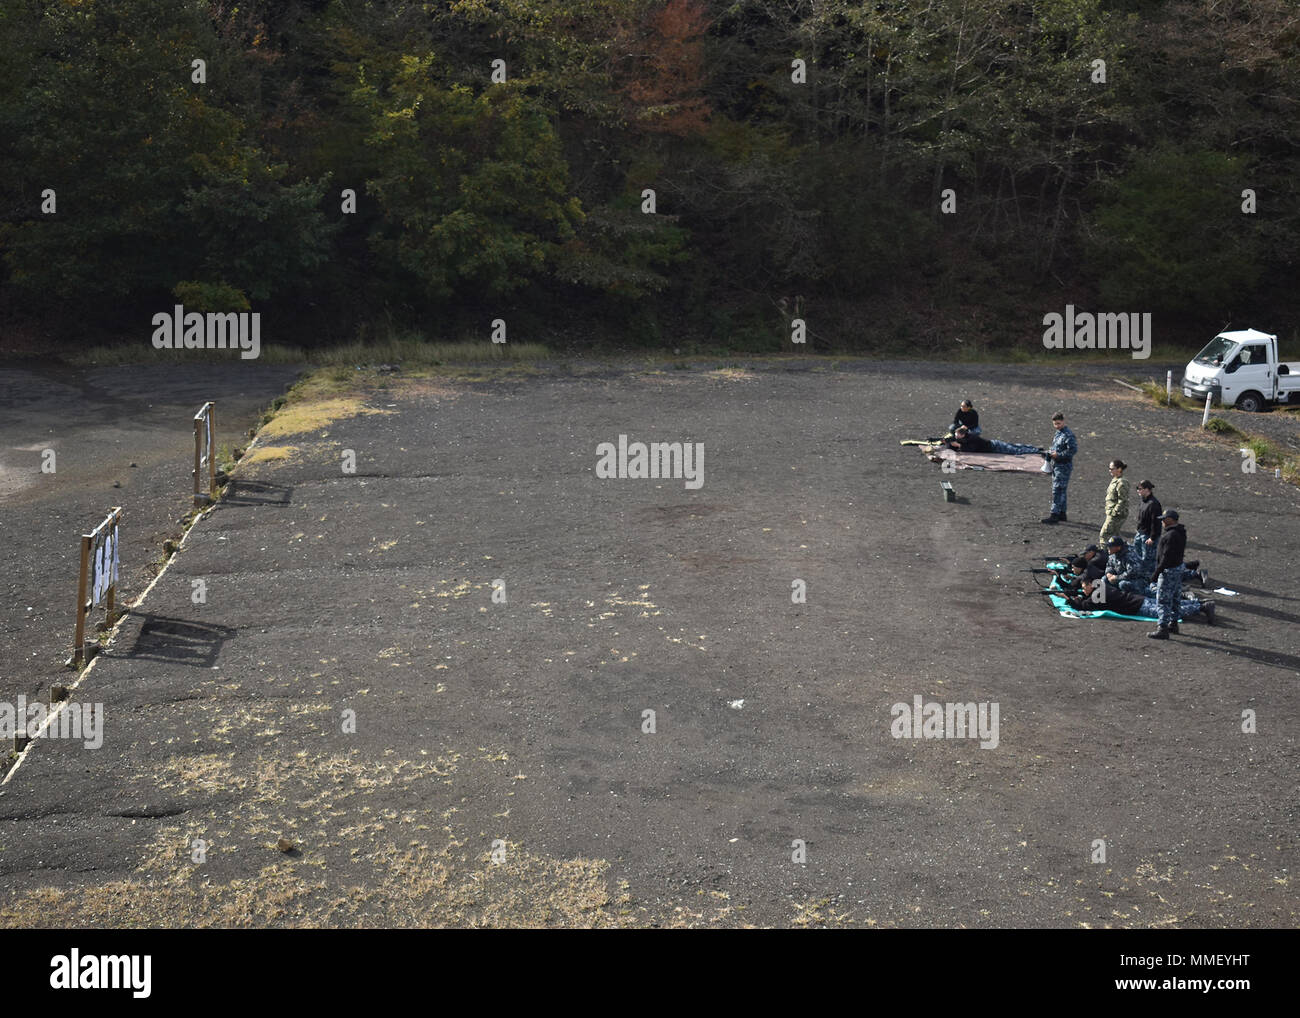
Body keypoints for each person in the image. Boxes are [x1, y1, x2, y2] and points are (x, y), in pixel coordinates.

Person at [1065, 577, 1214, 625]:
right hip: (1139, 599)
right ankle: (1199, 603)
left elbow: (1086, 606)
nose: (1084, 590)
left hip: (1137, 606)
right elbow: (1089, 600)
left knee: (1167, 613)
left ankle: (1202, 607)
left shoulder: (1097, 595)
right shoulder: (1102, 587)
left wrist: (1069, 600)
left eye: (1085, 587)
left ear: (1091, 585)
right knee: (1167, 605)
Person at [1148, 509, 1187, 639]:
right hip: (1178, 568)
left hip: (1168, 571)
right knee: (1176, 597)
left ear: (1171, 520)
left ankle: (1163, 628)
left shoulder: (1169, 536)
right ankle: (1174, 623)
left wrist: (1155, 574)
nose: (1163, 521)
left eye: (1165, 519)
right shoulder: (1181, 532)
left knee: (1163, 600)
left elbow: (1165, 557)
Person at [1040, 412, 1077, 524]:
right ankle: (1062, 513)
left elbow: (1072, 450)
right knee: (1062, 490)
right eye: (1055, 424)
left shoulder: (1068, 435)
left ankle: (1054, 515)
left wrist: (1058, 455)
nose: (1057, 426)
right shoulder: (1058, 433)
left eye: (1059, 423)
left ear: (1063, 421)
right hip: (1057, 465)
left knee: (1057, 490)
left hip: (1063, 466)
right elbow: (1057, 447)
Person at [944, 425, 1040, 456]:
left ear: (963, 435)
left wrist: (959, 446)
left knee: (1016, 450)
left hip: (994, 447)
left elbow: (971, 449)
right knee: (1015, 446)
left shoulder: (972, 437)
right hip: (994, 444)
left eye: (957, 435)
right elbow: (950, 445)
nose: (956, 437)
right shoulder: (962, 438)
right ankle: (1034, 448)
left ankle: (1036, 450)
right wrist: (950, 443)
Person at [1099, 459, 1129, 544]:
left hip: (1116, 514)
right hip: (1112, 512)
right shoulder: (1115, 480)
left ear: (1119, 469)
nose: (1110, 470)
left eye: (1112, 468)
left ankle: (1106, 555)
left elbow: (1123, 500)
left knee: (1104, 535)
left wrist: (1114, 512)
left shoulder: (1121, 483)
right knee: (1115, 536)